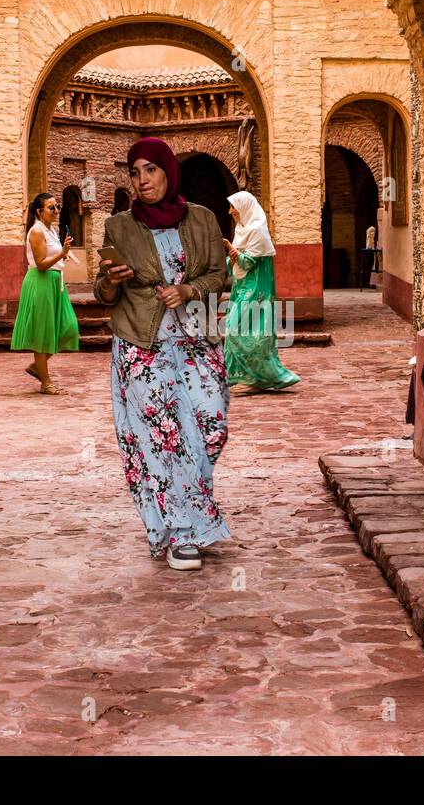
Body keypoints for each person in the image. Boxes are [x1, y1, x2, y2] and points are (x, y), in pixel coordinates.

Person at [95, 137, 230, 572]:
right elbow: (103, 292)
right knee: (165, 438)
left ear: (168, 172)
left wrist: (188, 289)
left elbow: (218, 274)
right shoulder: (119, 227)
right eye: (134, 172)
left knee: (211, 427)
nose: (141, 180)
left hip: (196, 340)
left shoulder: (203, 219)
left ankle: (190, 509)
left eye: (150, 170)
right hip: (141, 345)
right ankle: (181, 532)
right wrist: (113, 281)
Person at [222, 191, 301, 394]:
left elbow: (248, 261)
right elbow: (235, 263)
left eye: (233, 207)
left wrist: (231, 250)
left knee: (242, 330)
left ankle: (254, 379)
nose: (230, 211)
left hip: (256, 289)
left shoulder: (257, 230)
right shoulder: (242, 228)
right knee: (237, 329)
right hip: (242, 287)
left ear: (244, 207)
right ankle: (242, 376)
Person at [11, 192, 79, 393]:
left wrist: (63, 256)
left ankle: (36, 367)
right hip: (41, 283)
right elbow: (40, 264)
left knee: (69, 327)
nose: (56, 210)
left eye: (57, 206)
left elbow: (52, 258)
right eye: (51, 207)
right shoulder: (37, 231)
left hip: (55, 283)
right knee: (43, 333)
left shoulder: (50, 230)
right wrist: (62, 253)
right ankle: (46, 383)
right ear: (40, 212)